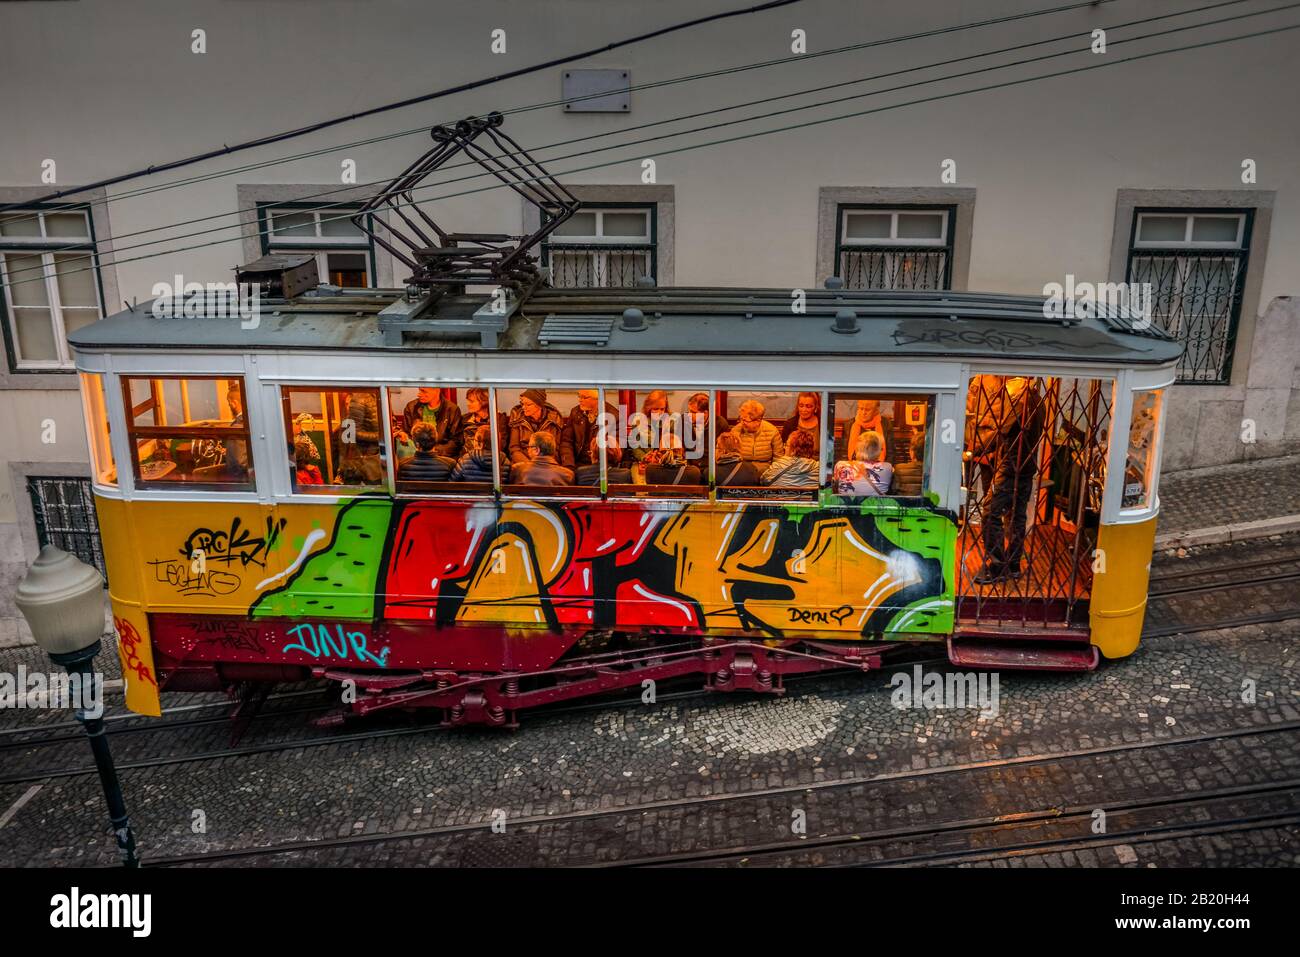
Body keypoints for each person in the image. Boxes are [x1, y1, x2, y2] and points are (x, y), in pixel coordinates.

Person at [975, 377, 1046, 584]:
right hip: (1027, 464)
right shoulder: (1037, 399)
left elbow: (1002, 429)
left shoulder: (1018, 396)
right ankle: (1013, 563)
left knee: (990, 512)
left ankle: (997, 566)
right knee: (1017, 515)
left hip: (1011, 466)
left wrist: (977, 449)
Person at [507, 388, 565, 479]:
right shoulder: (518, 419)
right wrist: (530, 465)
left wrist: (542, 466)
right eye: (522, 404)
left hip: (546, 465)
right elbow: (514, 449)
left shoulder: (553, 420)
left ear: (539, 405)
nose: (523, 407)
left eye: (528, 404)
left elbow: (555, 449)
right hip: (523, 464)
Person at [398, 386, 462, 459]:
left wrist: (433, 451)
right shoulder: (412, 407)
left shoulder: (452, 410)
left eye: (423, 391)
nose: (418, 394)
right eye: (419, 390)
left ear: (437, 390)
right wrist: (404, 435)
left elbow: (457, 442)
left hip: (442, 458)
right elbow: (406, 431)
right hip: (416, 456)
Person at [561, 389, 617, 469]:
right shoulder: (575, 412)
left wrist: (598, 466)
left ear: (598, 399)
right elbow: (566, 442)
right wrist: (569, 465)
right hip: (576, 464)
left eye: (584, 397)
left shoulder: (614, 416)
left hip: (601, 466)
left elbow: (614, 451)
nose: (580, 400)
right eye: (579, 396)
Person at [341, 390, 384, 484]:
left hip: (379, 454)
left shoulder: (380, 395)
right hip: (368, 458)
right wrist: (380, 436)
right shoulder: (360, 399)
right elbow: (354, 431)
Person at [833, 431, 894, 497]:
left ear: (857, 448)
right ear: (878, 450)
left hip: (846, 506)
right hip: (874, 506)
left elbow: (835, 487)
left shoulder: (841, 465)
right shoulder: (887, 467)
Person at [730, 399, 785, 466]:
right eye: (741, 419)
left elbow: (778, 459)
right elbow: (731, 457)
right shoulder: (735, 431)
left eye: (745, 420)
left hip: (766, 471)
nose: (742, 423)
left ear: (758, 420)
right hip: (742, 470)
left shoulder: (772, 431)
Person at [845, 399, 894, 463]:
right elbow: (844, 452)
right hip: (855, 466)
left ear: (876, 410)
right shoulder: (850, 424)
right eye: (861, 408)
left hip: (879, 467)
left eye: (867, 410)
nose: (863, 413)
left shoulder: (886, 424)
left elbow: (890, 453)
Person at [780, 392, 822, 459]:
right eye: (801, 406)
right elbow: (783, 449)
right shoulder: (790, 424)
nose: (804, 410)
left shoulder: (822, 424)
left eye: (808, 406)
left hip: (818, 466)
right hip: (794, 466)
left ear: (816, 407)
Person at [456, 387, 491, 455]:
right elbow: (459, 442)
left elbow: (501, 443)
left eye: (471, 401)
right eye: (468, 400)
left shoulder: (496, 418)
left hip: (489, 456)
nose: (468, 404)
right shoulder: (464, 419)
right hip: (466, 457)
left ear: (484, 401)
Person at [891, 431, 926, 496]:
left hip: (904, 505)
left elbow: (893, 491)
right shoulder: (934, 471)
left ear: (912, 451)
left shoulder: (899, 468)